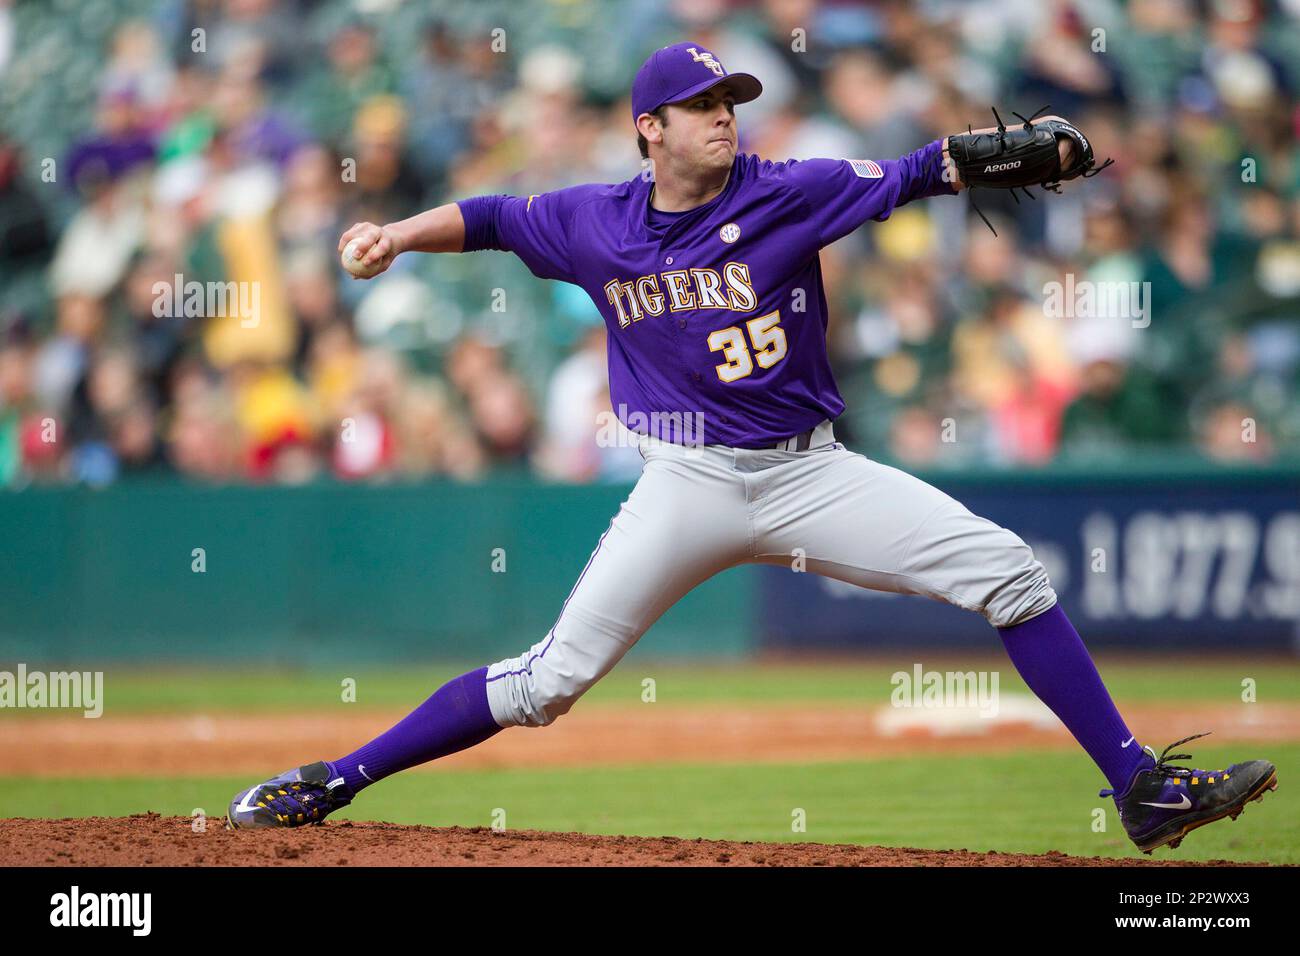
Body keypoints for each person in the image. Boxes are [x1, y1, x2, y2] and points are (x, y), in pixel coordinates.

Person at [228, 42, 1276, 854]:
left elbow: (919, 169)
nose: (725, 117)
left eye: (730, 102)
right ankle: (334, 777)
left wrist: (1027, 148)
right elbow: (499, 215)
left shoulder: (788, 191)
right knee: (548, 684)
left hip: (809, 471)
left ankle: (1141, 789)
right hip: (684, 481)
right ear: (650, 129)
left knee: (1008, 571)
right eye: (703, 107)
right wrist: (399, 234)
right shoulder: (592, 221)